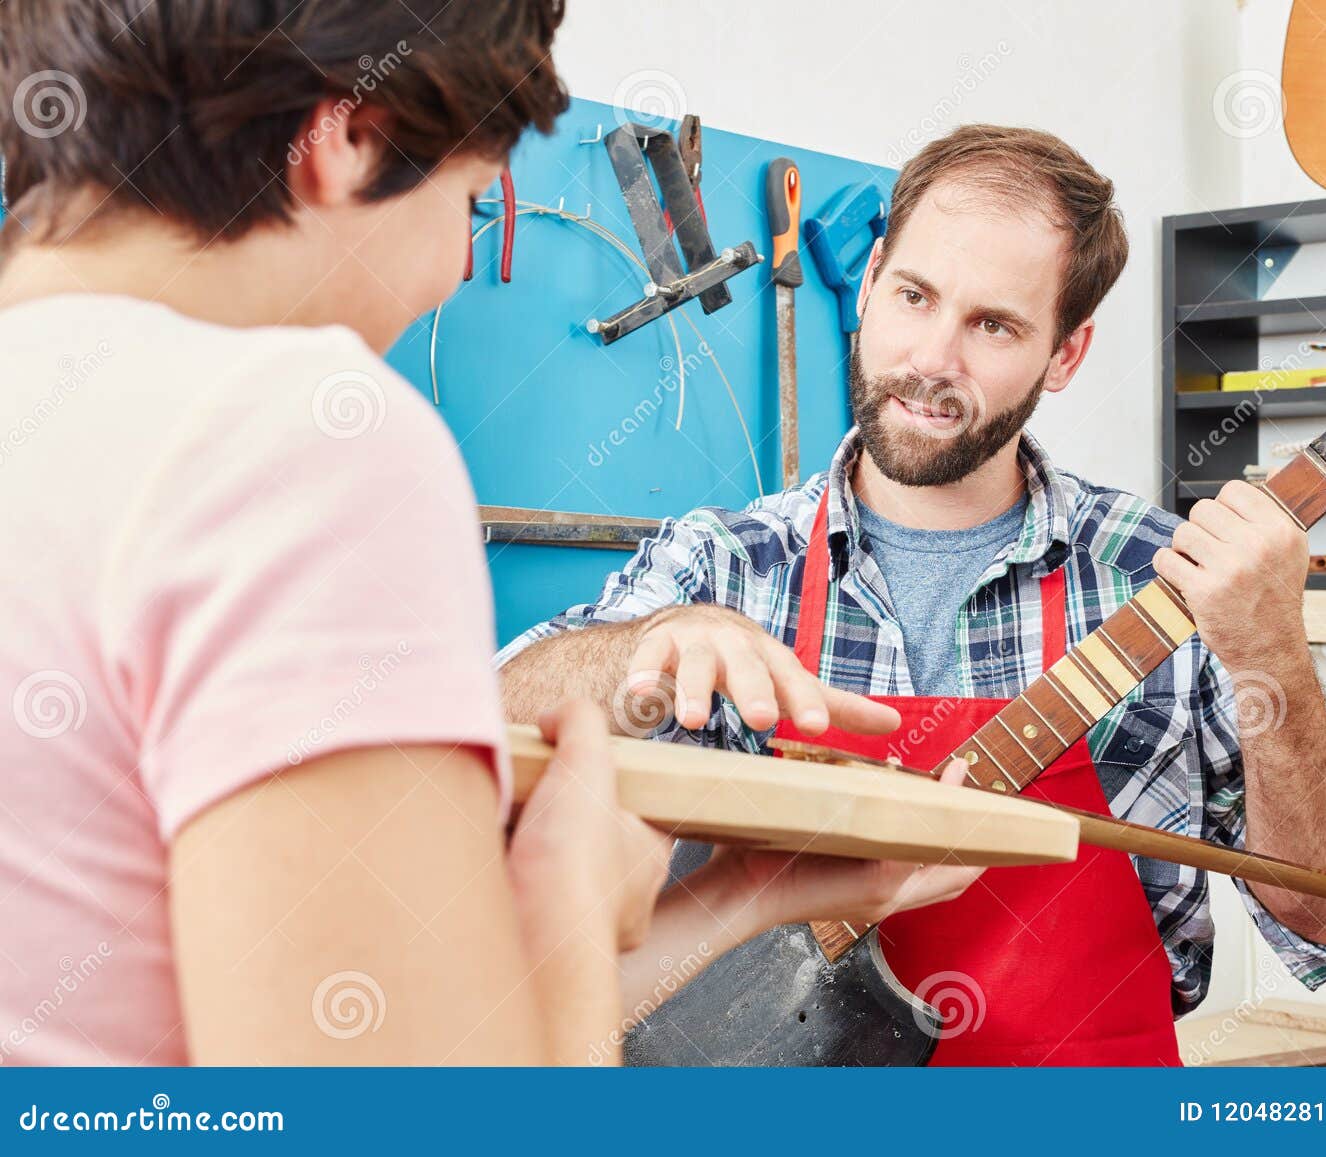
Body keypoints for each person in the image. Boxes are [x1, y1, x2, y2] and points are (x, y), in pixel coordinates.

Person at [0, 0, 975, 1067]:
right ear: (351, 137)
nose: (456, 272)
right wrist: (569, 909)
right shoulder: (288, 431)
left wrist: (740, 896)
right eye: (470, 205)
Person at [498, 124, 1326, 1066]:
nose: (931, 358)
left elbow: (1325, 920)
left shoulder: (1172, 579)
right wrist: (645, 642)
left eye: (993, 324)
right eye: (914, 296)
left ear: (1066, 354)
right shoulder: (722, 565)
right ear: (871, 278)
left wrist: (1271, 653)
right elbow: (477, 730)